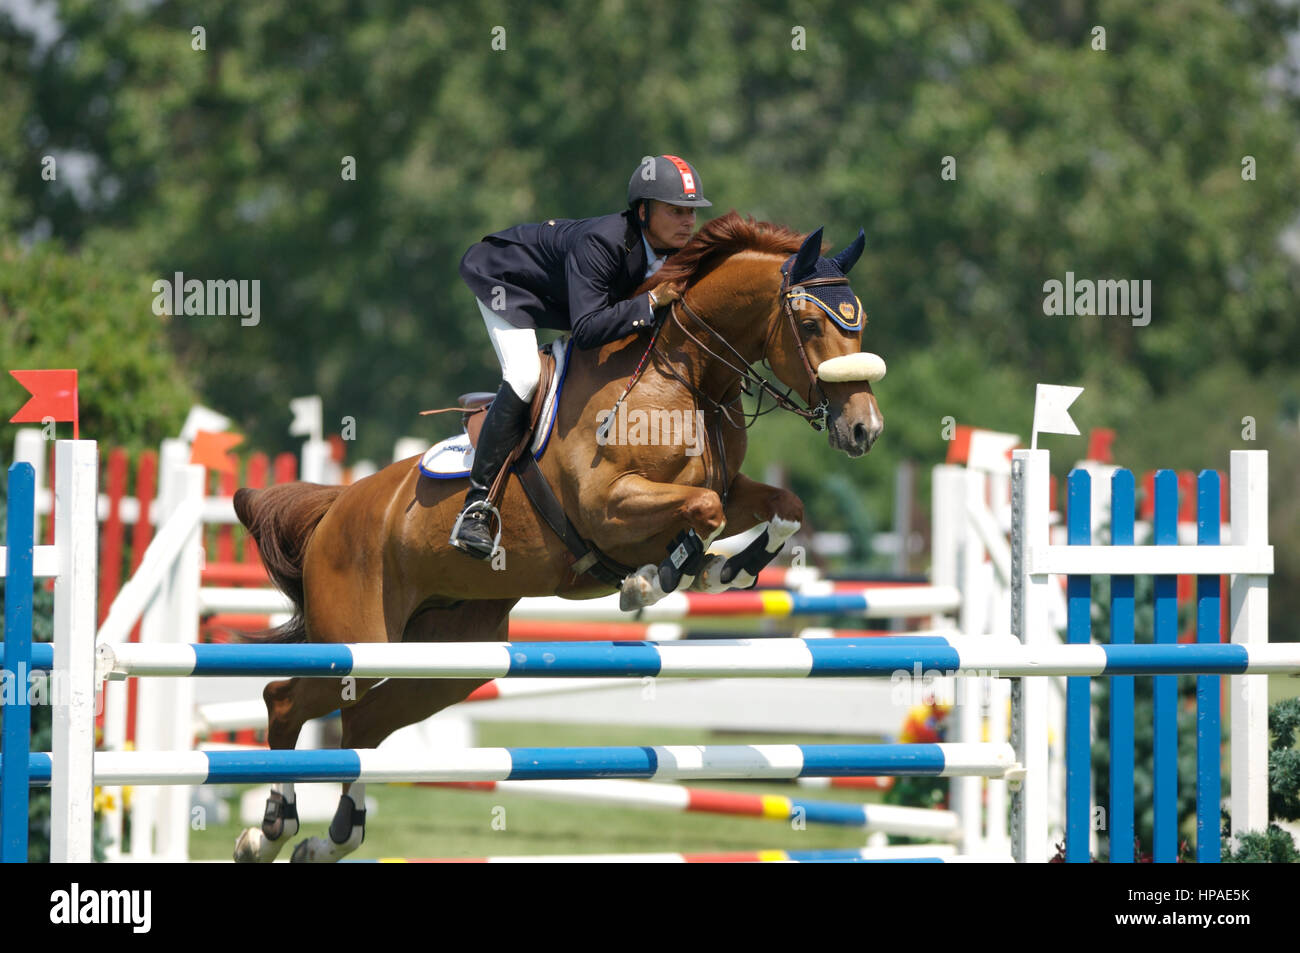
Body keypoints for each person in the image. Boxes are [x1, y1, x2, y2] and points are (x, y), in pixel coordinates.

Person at [451, 155, 713, 558]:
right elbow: (589, 330)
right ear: (643, 212)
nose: (687, 222)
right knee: (525, 376)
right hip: (507, 281)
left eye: (691, 212)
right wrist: (651, 303)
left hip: (562, 298)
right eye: (675, 210)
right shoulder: (604, 242)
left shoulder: (674, 249)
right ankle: (476, 507)